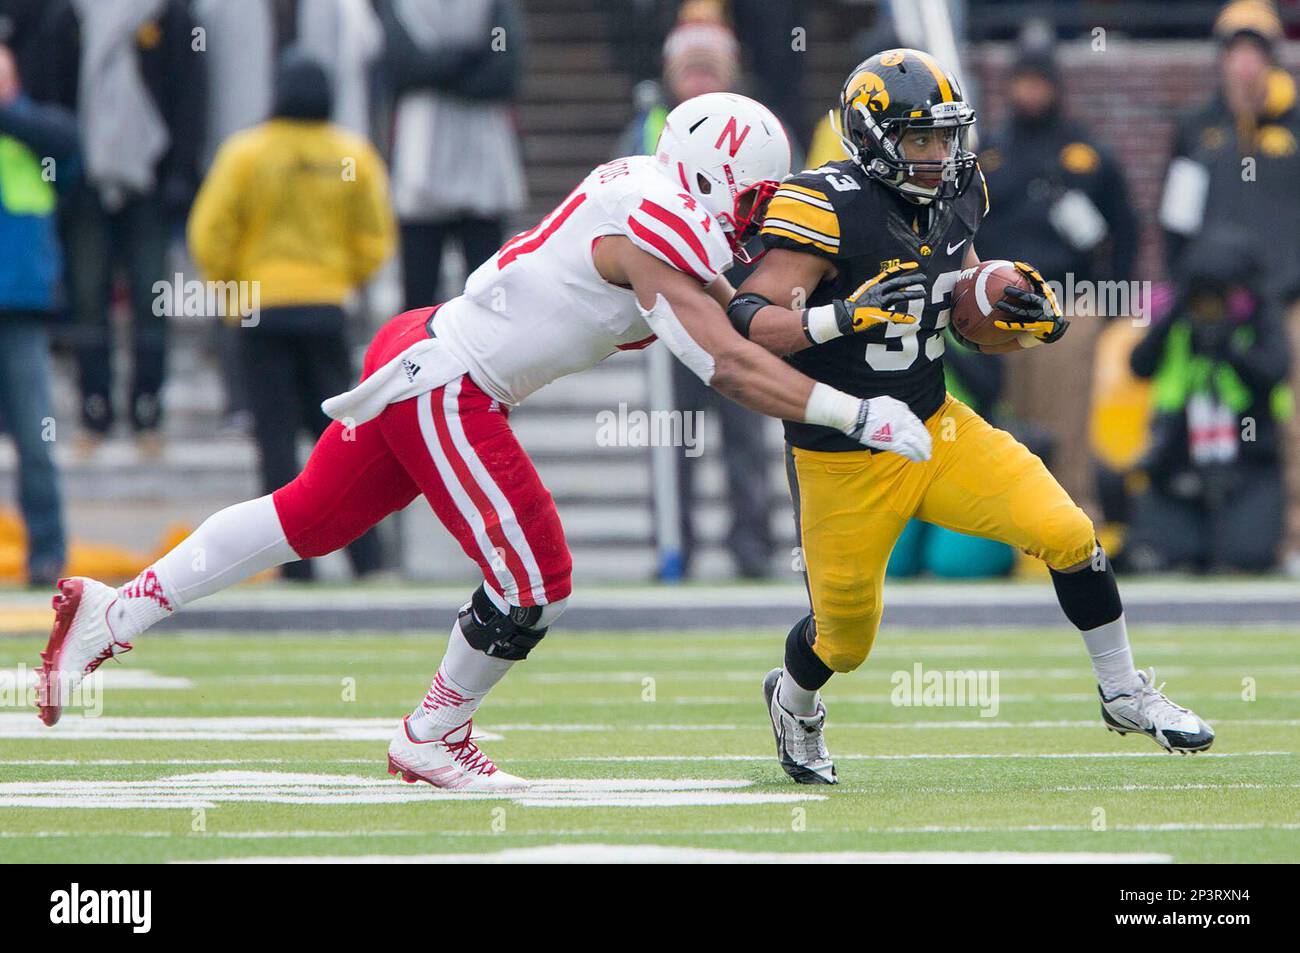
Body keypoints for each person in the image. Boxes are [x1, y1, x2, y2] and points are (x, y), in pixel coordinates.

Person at [37, 93, 934, 792]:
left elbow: (729, 317)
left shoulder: (653, 187)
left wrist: (830, 315)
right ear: (710, 175)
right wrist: (853, 413)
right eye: (752, 195)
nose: (758, 214)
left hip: (430, 347)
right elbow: (728, 363)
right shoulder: (659, 220)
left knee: (303, 518)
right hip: (452, 381)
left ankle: (111, 615)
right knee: (534, 575)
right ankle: (432, 736)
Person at [723, 50, 1214, 785]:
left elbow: (959, 308)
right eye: (920, 138)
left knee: (1068, 530)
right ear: (873, 135)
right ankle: (793, 701)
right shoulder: (825, 203)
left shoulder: (960, 191)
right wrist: (843, 317)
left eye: (946, 137)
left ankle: (1123, 690)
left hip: (934, 425)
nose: (938, 154)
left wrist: (1020, 317)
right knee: (844, 640)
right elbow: (748, 319)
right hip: (840, 448)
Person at [187, 49, 396, 582]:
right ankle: (367, 560)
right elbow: (376, 236)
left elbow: (209, 233)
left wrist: (231, 285)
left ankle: (293, 565)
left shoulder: (246, 153)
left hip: (260, 310)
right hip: (326, 308)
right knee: (343, 440)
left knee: (275, 441)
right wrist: (342, 277)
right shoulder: (351, 153)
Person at [617, 7, 773, 578]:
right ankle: (673, 550)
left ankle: (751, 550)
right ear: (672, 74)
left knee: (745, 435)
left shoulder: (754, 130)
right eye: (692, 70)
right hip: (669, 312)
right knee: (673, 434)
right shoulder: (647, 126)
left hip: (736, 306)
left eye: (711, 70)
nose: (700, 80)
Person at [55, 0, 205, 455]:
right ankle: (93, 411)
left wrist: (181, 171)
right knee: (88, 297)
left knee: (150, 297)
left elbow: (189, 95)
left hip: (150, 181)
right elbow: (55, 91)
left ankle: (147, 412)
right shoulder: (69, 16)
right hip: (86, 179)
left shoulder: (171, 16)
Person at [1124, 229, 1291, 573]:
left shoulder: (1260, 322)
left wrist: (1231, 344)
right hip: (1178, 467)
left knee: (1246, 558)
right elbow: (1139, 365)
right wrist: (1176, 313)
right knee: (1171, 558)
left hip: (1247, 466)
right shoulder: (1177, 323)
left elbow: (1273, 372)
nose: (1211, 306)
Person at [379, 0, 527, 310]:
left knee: (486, 293)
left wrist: (437, 68)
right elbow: (402, 65)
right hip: (421, 159)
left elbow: (504, 69)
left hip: (482, 161)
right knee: (418, 299)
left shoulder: (495, 8)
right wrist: (467, 57)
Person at [0, 43, 78, 586]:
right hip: (22, 301)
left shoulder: (37, 129)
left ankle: (47, 554)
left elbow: (71, 148)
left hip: (21, 305)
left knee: (36, 441)